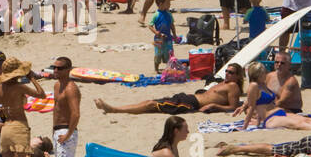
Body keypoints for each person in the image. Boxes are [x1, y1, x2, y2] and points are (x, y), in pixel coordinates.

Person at [95, 64, 245, 115]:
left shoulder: (233, 87)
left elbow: (232, 107)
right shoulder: (224, 83)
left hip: (191, 104)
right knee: (151, 103)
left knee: (151, 105)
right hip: (188, 98)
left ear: (238, 76)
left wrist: (214, 106)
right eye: (227, 71)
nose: (227, 74)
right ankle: (115, 109)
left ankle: (114, 109)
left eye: (231, 72)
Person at [50, 56, 81, 157]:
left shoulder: (70, 88)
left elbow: (76, 113)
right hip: (58, 130)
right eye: (54, 67)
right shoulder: (57, 85)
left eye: (59, 68)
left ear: (68, 70)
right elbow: (57, 109)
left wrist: (68, 134)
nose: (56, 70)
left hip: (66, 131)